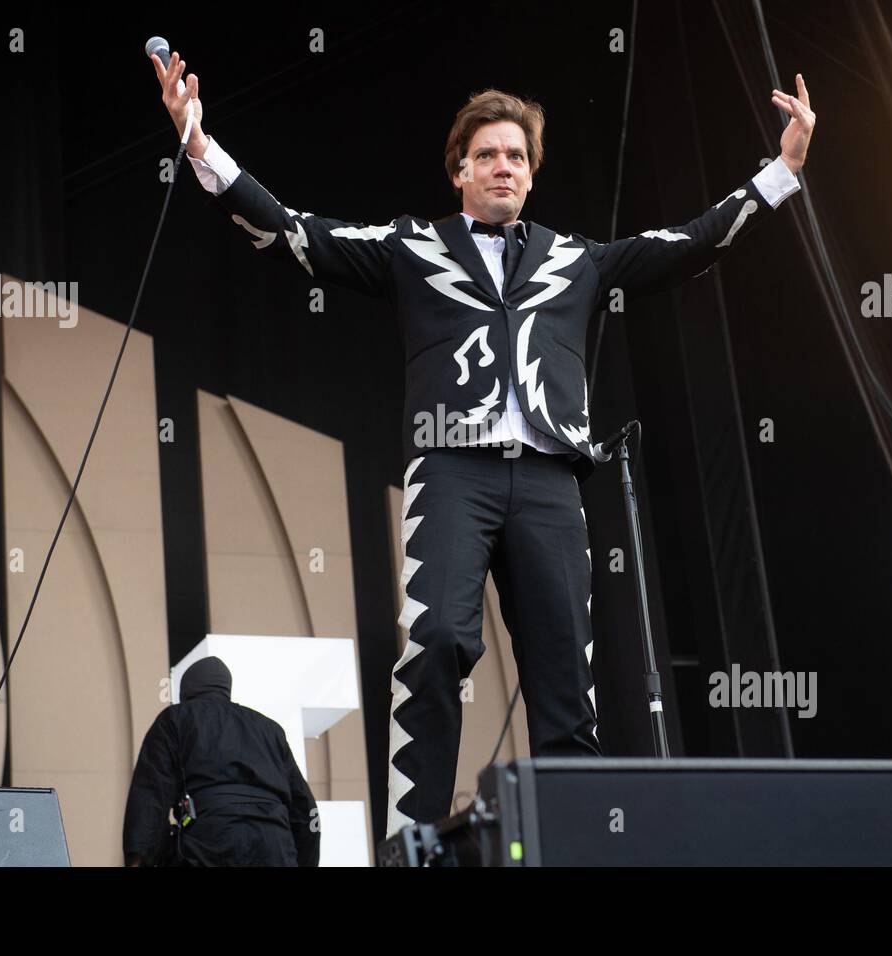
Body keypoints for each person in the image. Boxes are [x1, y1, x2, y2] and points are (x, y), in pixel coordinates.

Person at [150, 52, 815, 839]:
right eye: (488, 155)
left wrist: (780, 171)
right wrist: (198, 145)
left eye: (517, 157)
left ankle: (572, 842)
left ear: (531, 176)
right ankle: (415, 839)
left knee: (566, 672)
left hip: (549, 482)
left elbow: (689, 244)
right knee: (435, 642)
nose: (504, 166)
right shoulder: (413, 249)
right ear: (459, 173)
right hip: (451, 471)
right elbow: (297, 233)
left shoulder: (578, 260)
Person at [123, 656, 320, 866]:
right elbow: (306, 810)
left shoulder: (175, 718)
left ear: (186, 691)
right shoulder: (270, 730)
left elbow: (150, 796)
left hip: (209, 846)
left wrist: (140, 858)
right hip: (275, 849)